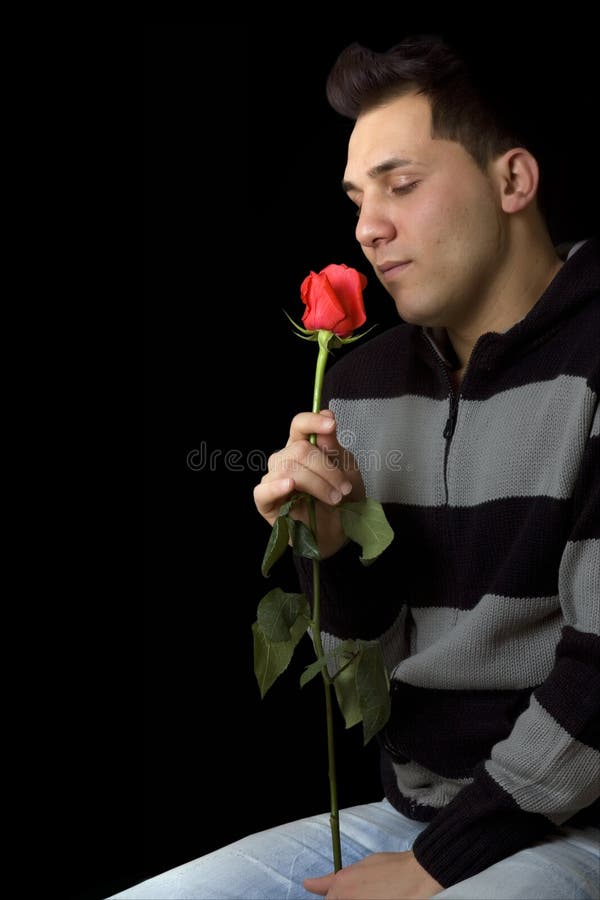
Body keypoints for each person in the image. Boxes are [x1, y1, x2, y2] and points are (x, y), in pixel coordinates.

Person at [122, 34, 599, 899]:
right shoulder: (361, 388)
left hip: (573, 824)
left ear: (513, 182)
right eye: (356, 197)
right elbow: (363, 691)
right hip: (410, 818)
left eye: (402, 185)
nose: (367, 227)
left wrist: (433, 868)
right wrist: (335, 551)